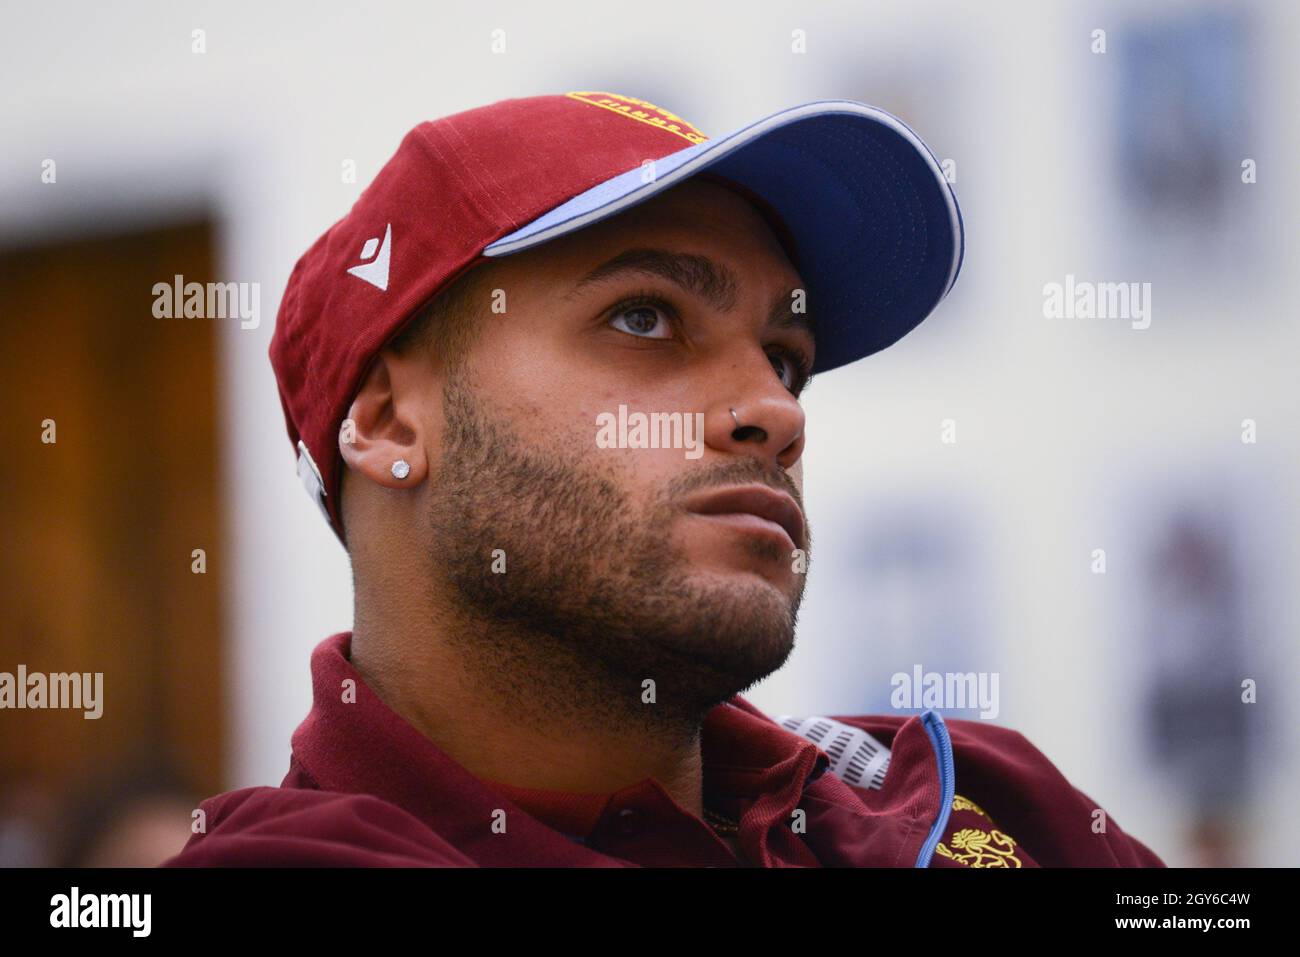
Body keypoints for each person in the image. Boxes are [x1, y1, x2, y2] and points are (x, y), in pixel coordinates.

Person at [163, 91, 1163, 867]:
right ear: (387, 422)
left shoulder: (977, 792)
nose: (776, 412)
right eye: (645, 317)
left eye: (784, 354)